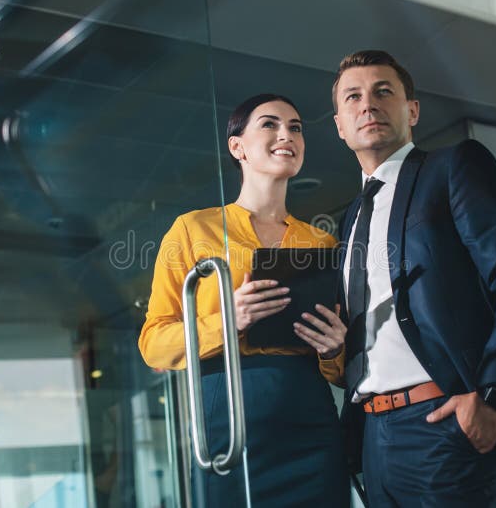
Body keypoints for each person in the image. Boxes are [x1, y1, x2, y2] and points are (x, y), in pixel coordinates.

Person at [330, 50, 496, 507]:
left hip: (443, 423)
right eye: (353, 97)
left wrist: (495, 394)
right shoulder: (350, 217)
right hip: (373, 433)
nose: (367, 105)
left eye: (382, 91)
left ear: (412, 110)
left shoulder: (453, 168)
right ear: (339, 125)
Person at [139, 94, 351, 508]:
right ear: (237, 147)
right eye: (270, 124)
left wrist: (335, 348)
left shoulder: (322, 242)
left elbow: (341, 368)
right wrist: (228, 319)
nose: (286, 134)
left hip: (310, 416)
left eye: (295, 127)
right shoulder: (191, 230)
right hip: (230, 413)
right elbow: (153, 344)